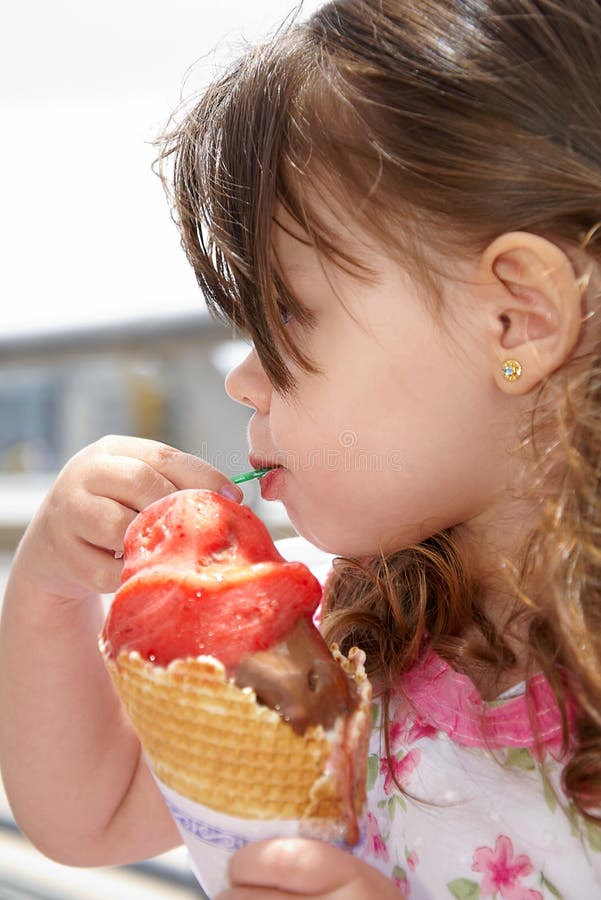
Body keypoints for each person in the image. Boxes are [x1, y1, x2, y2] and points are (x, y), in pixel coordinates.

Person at [2, 0, 601, 896]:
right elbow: (88, 811)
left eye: (286, 312)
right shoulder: (330, 633)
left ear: (517, 318)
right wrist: (50, 592)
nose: (243, 378)